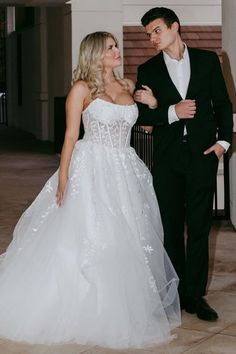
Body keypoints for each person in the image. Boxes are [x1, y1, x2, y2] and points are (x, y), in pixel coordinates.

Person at [0, 31, 180, 348]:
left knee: (126, 236)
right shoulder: (81, 89)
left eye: (115, 46)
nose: (116, 51)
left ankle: (119, 305)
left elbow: (144, 126)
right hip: (91, 167)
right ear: (95, 53)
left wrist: (153, 104)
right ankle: (81, 305)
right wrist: (64, 176)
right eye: (110, 47)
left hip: (124, 168)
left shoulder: (127, 86)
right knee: (90, 234)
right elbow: (70, 136)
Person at [134, 7, 233, 322]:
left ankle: (195, 296)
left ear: (175, 27)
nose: (153, 38)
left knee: (201, 229)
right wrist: (171, 112)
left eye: (157, 30)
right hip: (167, 161)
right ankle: (174, 295)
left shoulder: (207, 61)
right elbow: (142, 117)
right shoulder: (148, 69)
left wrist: (223, 144)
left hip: (203, 156)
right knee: (172, 230)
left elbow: (223, 103)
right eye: (149, 33)